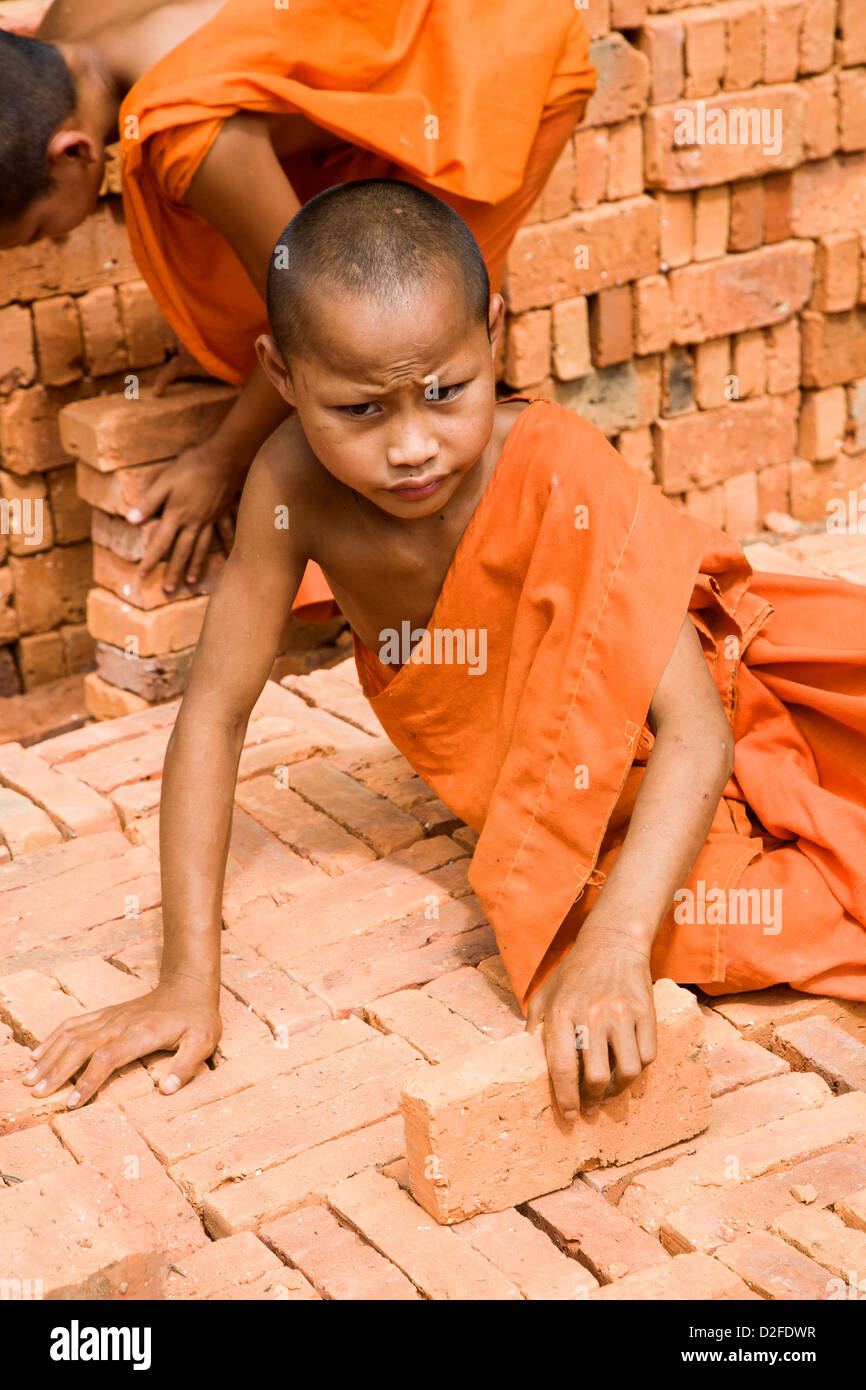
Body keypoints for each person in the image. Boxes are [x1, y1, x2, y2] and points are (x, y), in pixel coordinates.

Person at [24, 179, 866, 1124]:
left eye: (443, 393)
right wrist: (185, 980)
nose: (412, 447)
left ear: (492, 335)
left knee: (759, 914)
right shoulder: (289, 486)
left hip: (720, 737)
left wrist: (619, 942)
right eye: (361, 411)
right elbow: (213, 717)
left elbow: (699, 731)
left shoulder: (557, 464)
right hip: (574, 805)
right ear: (281, 376)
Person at [0, 0, 597, 604]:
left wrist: (220, 461)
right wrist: (222, 342)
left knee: (423, 333)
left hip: (502, 63)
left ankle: (463, 593)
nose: (55, 241)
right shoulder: (56, 38)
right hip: (432, 54)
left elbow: (316, 317)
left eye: (40, 231)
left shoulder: (190, 133)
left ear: (73, 152)